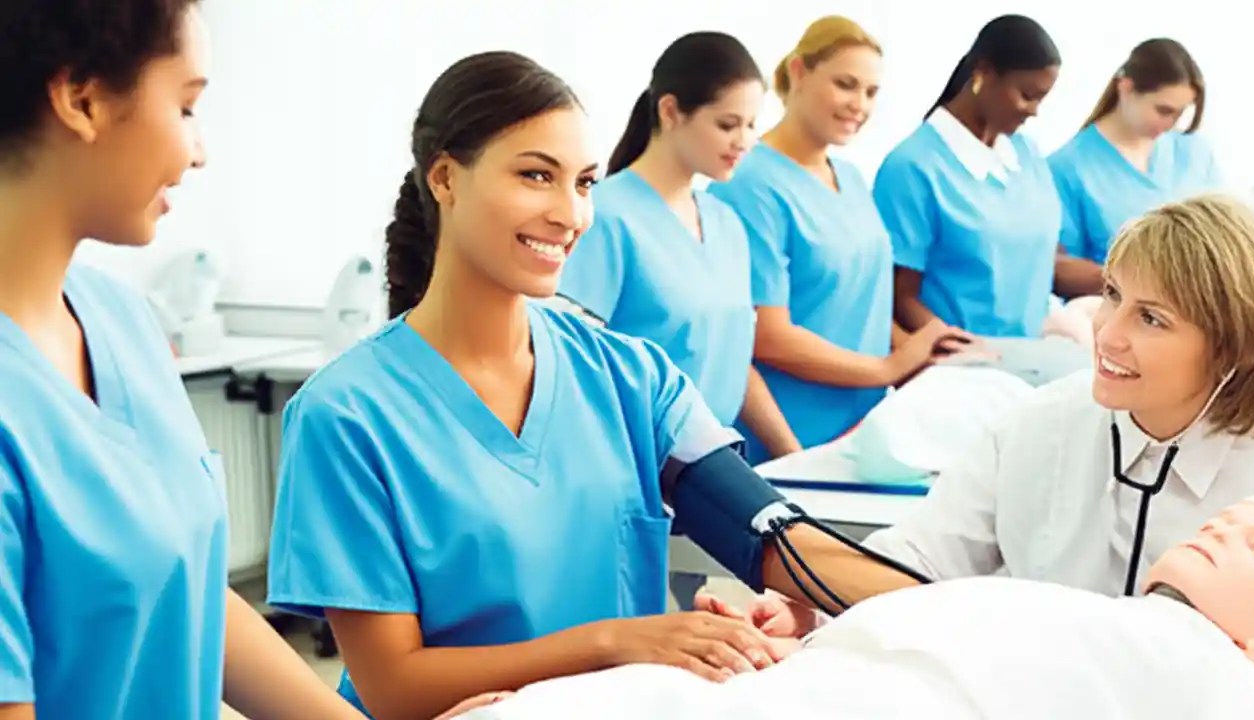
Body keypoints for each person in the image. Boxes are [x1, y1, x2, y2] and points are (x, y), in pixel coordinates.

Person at [265, 50, 915, 720]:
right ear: (444, 178)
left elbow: (771, 537)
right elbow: (394, 689)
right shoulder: (346, 414)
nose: (570, 213)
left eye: (582, 183)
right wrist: (615, 643)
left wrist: (950, 603)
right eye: (536, 176)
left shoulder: (631, 376)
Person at [0, 2, 408, 718]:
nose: (199, 151)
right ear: (83, 99)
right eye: (186, 106)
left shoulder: (121, 321)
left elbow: (189, 599)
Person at [708, 192, 1254, 629]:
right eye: (1112, 295)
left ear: (1239, 345)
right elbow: (923, 557)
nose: (1108, 334)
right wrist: (813, 607)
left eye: (1151, 318)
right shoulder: (1041, 426)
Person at [448, 495, 1254, 719]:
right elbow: (908, 581)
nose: (1223, 530)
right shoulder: (1078, 614)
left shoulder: (1227, 684)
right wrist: (808, 629)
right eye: (1222, 520)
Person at [553, 32, 791, 611]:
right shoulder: (605, 216)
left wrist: (789, 459)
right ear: (670, 111)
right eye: (728, 124)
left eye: (753, 125)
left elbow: (735, 358)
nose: (745, 142)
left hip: (710, 482)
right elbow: (568, 371)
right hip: (631, 488)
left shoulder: (727, 224)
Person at [707, 16, 966, 463]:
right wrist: (888, 367)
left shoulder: (849, 177)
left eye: (871, 92)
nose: (859, 105)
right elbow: (766, 336)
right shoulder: (748, 183)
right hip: (788, 442)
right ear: (799, 72)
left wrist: (918, 348)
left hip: (864, 435)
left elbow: (855, 299)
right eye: (846, 84)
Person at [873, 14, 1062, 338]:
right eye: (1027, 95)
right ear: (984, 72)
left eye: (1042, 99)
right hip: (960, 366)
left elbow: (1043, 260)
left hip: (1031, 357)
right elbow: (897, 299)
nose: (1034, 111)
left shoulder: (1026, 154)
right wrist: (958, 348)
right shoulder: (912, 168)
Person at [1050, 38, 1220, 299]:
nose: (1171, 122)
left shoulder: (1194, 152)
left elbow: (1226, 234)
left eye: (1180, 112)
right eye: (1163, 110)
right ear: (1126, 88)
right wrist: (1144, 285)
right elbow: (1059, 270)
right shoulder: (1067, 167)